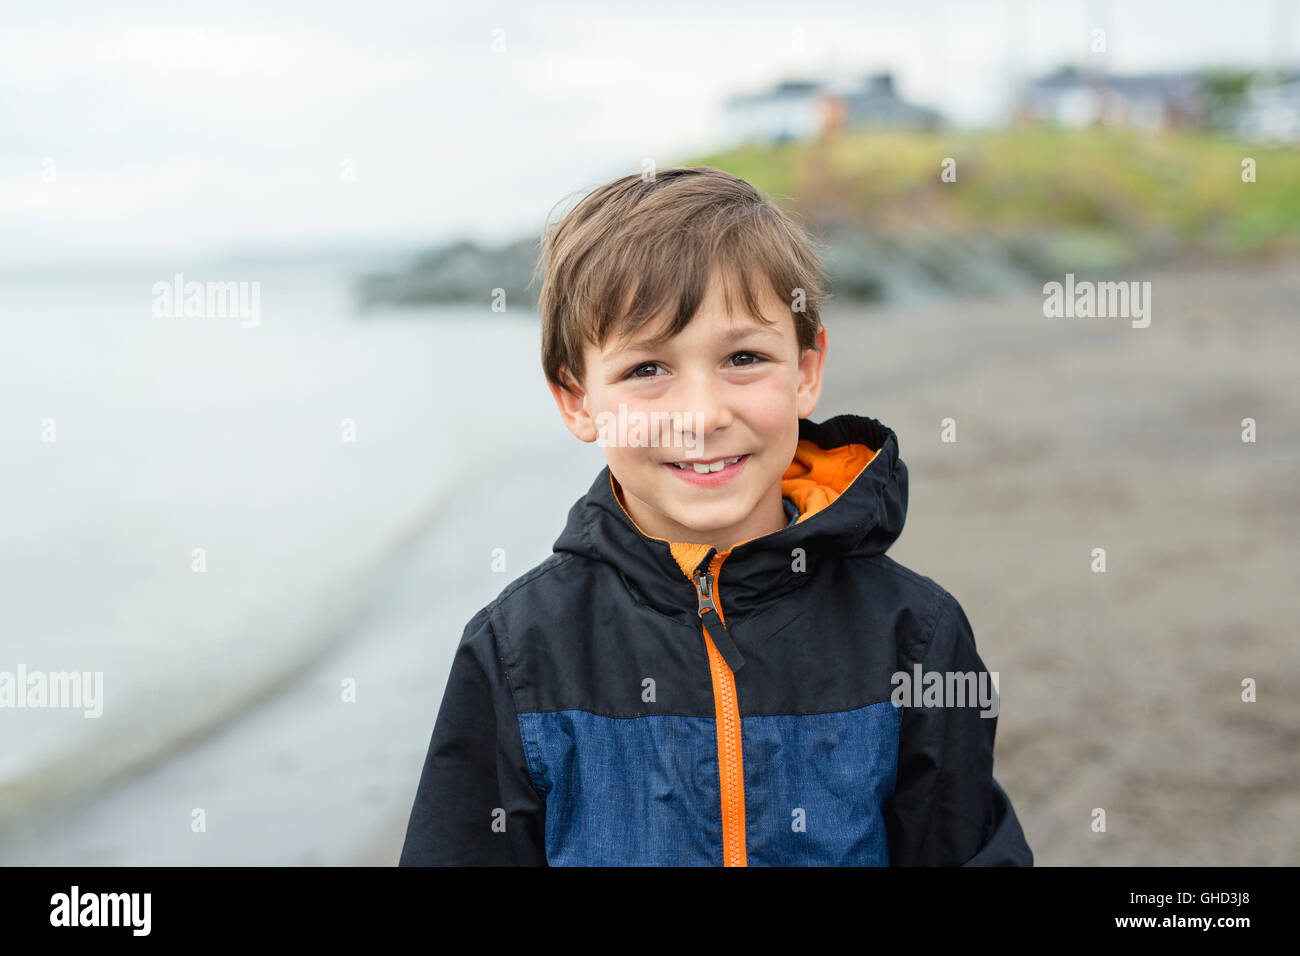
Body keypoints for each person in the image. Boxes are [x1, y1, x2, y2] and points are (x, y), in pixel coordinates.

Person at [398, 166, 1032, 866]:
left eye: (743, 357)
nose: (701, 416)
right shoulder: (517, 652)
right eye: (647, 370)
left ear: (806, 370)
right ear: (577, 399)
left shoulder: (915, 636)